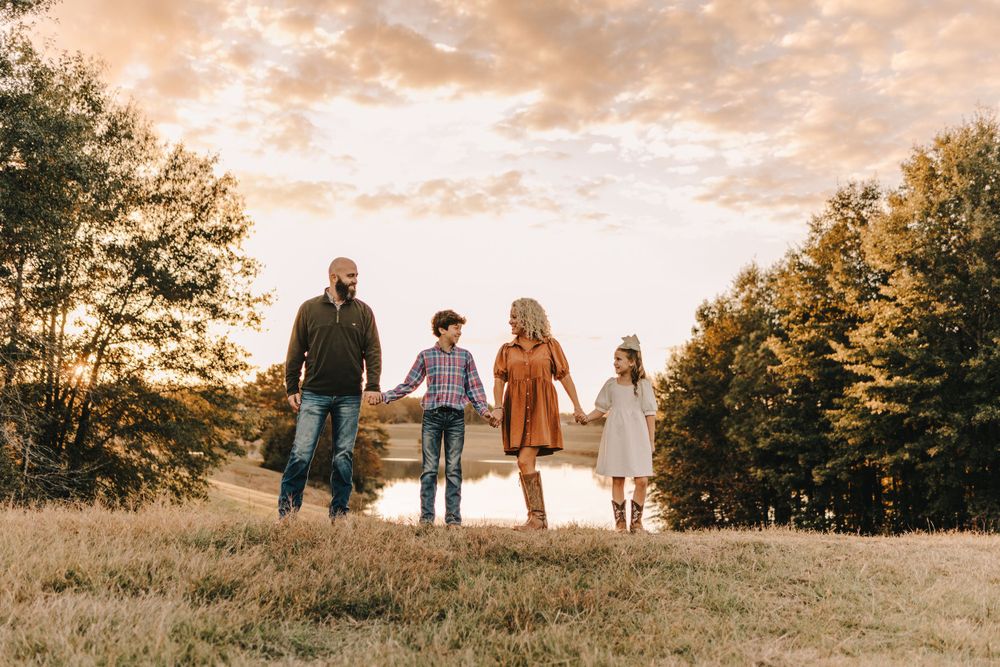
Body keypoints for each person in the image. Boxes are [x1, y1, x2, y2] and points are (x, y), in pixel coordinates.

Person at [278, 257, 383, 521]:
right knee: (301, 453)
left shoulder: (363, 312)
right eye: (351, 275)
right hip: (314, 393)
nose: (355, 280)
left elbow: (372, 351)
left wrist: (372, 385)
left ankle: (339, 515)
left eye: (357, 275)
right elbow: (295, 350)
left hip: (349, 395)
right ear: (334, 277)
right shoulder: (309, 309)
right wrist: (292, 386)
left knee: (343, 457)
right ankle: (287, 515)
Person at [382, 310, 497, 526]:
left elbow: (474, 388)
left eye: (461, 329)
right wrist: (385, 396)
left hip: (455, 417)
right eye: (456, 328)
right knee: (429, 469)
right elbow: (410, 384)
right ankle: (426, 520)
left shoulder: (465, 356)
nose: (459, 333)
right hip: (432, 417)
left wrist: (485, 411)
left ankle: (453, 520)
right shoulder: (426, 355)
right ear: (442, 329)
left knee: (454, 468)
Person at [490, 298, 586, 530]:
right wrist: (498, 406)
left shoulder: (550, 346)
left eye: (514, 316)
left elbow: (564, 376)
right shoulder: (506, 350)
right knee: (524, 462)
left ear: (527, 317)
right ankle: (537, 519)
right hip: (516, 409)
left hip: (541, 410)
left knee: (524, 460)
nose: (510, 321)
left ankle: (537, 519)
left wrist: (577, 406)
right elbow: (499, 379)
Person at [580, 335, 656, 533]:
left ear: (632, 362)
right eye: (614, 359)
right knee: (618, 478)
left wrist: (651, 441)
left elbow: (650, 414)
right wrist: (587, 418)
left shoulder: (643, 386)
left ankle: (637, 522)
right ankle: (620, 523)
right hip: (617, 436)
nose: (614, 363)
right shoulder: (611, 385)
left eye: (619, 359)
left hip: (638, 437)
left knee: (642, 479)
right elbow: (601, 408)